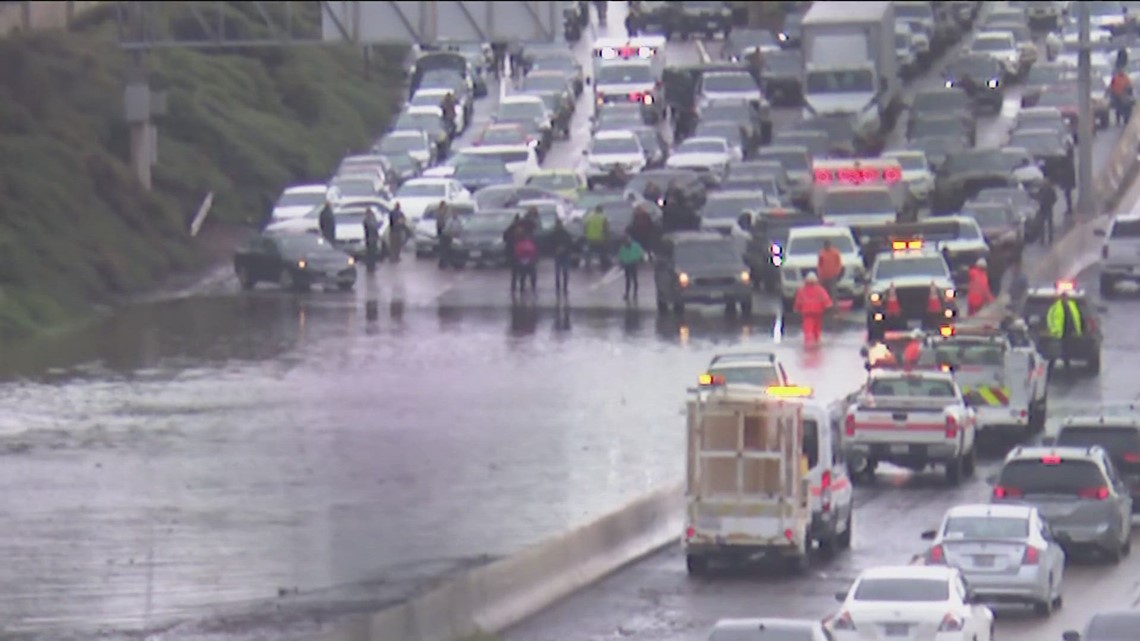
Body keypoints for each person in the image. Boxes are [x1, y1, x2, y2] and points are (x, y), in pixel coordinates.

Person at [794, 272, 833, 346]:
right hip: (818, 312)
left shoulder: (801, 290)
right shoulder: (820, 289)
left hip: (807, 312)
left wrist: (797, 309)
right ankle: (816, 343)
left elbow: (798, 302)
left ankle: (808, 345)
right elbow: (826, 301)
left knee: (808, 330)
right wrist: (828, 307)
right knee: (817, 330)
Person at [1046, 290, 1082, 370]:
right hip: (1058, 334)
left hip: (1068, 333)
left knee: (1067, 351)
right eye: (1063, 297)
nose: (1065, 298)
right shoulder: (1055, 307)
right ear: (1061, 298)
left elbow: (1076, 318)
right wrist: (1053, 329)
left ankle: (1067, 367)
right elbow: (1049, 318)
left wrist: (1077, 330)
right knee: (1055, 353)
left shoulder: (1072, 305)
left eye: (1066, 297)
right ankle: (1050, 368)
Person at [550, 218, 574, 297]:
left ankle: (563, 286)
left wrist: (562, 248)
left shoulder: (560, 233)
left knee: (563, 271)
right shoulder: (558, 233)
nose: (558, 226)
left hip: (563, 254)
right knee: (560, 271)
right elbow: (549, 243)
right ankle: (560, 286)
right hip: (561, 254)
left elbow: (569, 242)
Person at [617, 235, 645, 301]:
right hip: (627, 264)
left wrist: (640, 258)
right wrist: (621, 262)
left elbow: (640, 252)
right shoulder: (622, 248)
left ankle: (635, 293)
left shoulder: (635, 246)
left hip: (633, 263)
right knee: (628, 280)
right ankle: (627, 293)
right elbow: (620, 255)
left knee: (634, 279)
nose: (627, 242)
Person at [513, 228, 539, 296]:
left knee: (525, 275)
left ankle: (525, 288)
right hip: (527, 261)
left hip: (526, 260)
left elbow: (535, 251)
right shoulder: (522, 242)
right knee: (526, 275)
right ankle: (529, 288)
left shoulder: (521, 242)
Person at [503, 214, 523, 290]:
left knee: (515, 271)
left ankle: (515, 286)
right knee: (519, 271)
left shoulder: (510, 229)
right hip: (517, 253)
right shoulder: (519, 230)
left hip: (515, 253)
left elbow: (505, 237)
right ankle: (518, 286)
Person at [1036, 177, 1057, 244]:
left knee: (1049, 224)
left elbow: (1054, 198)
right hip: (1043, 208)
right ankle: (1042, 239)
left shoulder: (1051, 190)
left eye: (1045, 183)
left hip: (1047, 208)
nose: (1044, 184)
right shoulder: (1042, 189)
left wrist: (1050, 203)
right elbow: (1038, 196)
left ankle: (1050, 238)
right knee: (1042, 224)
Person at [362, 207, 381, 271]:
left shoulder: (370, 219)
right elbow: (373, 227)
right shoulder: (367, 220)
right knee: (370, 253)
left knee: (372, 252)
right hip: (370, 238)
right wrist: (377, 224)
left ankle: (372, 265)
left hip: (372, 238)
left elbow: (375, 227)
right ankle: (370, 266)